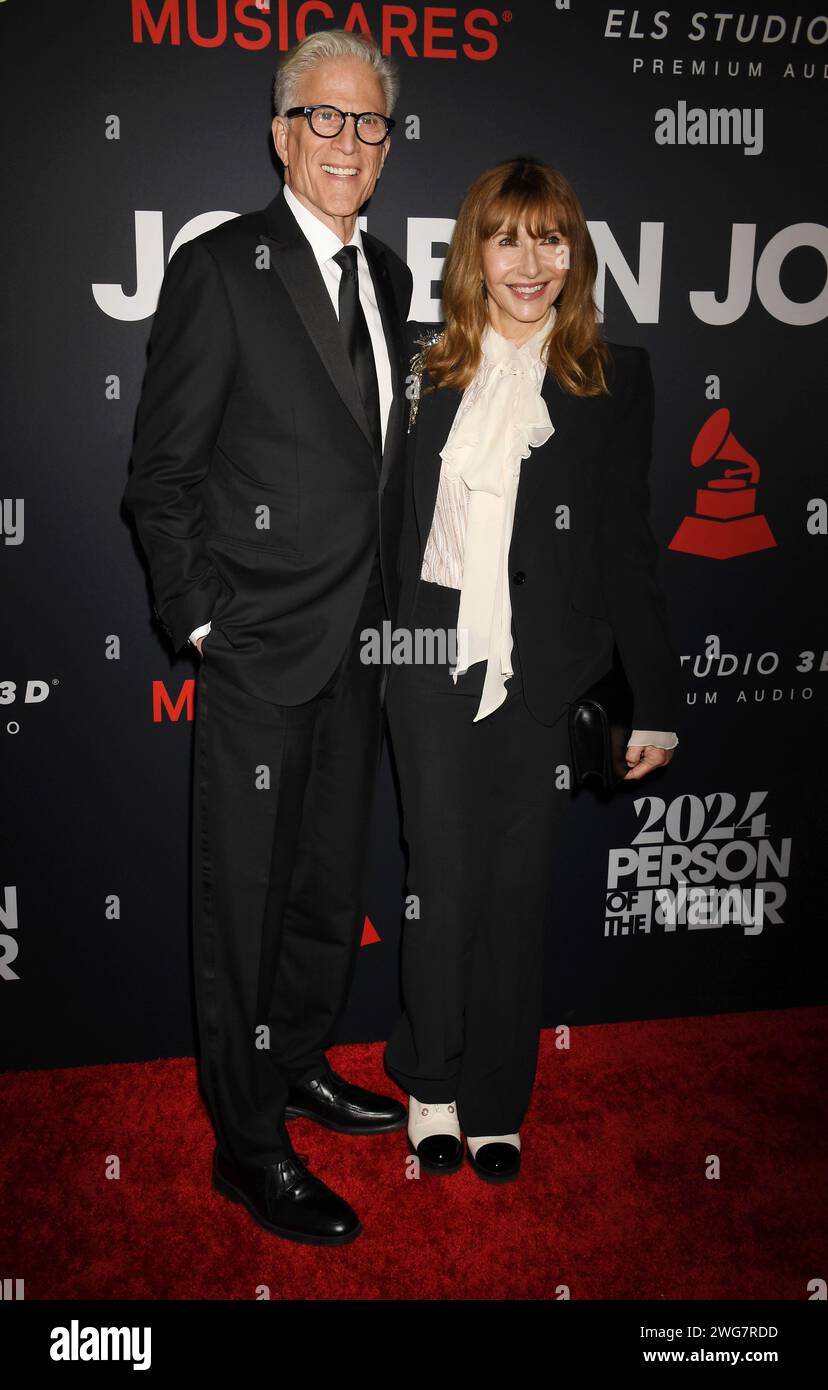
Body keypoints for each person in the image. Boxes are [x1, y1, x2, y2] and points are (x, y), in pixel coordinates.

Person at [123, 30, 413, 1245]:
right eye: (326, 119)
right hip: (256, 653)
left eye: (371, 124)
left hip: (365, 657)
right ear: (283, 131)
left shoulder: (392, 279)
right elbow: (162, 474)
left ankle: (297, 1061)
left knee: (322, 891)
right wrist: (203, 622)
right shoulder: (221, 268)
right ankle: (247, 1147)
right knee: (242, 909)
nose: (350, 143)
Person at [383, 157, 682, 1184]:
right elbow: (385, 531)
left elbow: (627, 549)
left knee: (514, 891)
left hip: (542, 674)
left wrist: (658, 701)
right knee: (442, 882)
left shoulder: (615, 376)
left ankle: (497, 1097)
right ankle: (427, 1080)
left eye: (550, 238)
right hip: (429, 663)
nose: (529, 261)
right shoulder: (425, 370)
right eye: (507, 237)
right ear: (475, 251)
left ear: (576, 254)